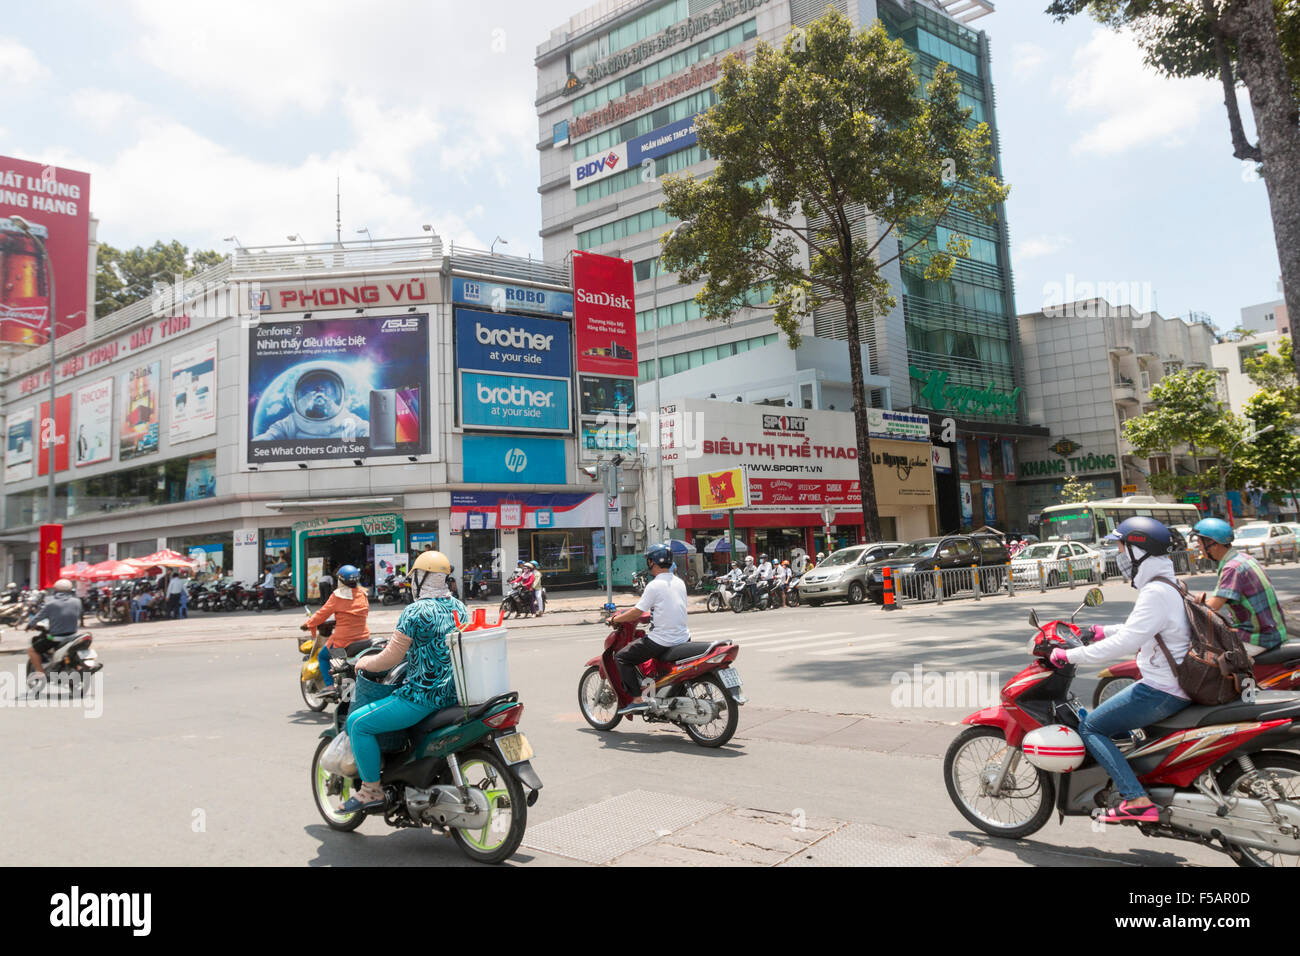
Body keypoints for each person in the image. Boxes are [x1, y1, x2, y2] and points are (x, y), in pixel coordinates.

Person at [1049, 517, 1191, 824]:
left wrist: (1069, 654)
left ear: (1139, 551)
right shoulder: (1168, 584)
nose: (1119, 555)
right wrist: (1101, 630)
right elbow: (1139, 629)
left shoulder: (1156, 592)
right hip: (1170, 684)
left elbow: (1126, 642)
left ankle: (1135, 798)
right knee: (1108, 718)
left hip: (1161, 690)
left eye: (1121, 548)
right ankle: (1140, 777)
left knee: (1091, 727)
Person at [341, 550, 466, 813]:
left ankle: (370, 790)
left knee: (357, 723)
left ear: (420, 579)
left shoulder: (415, 611)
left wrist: (361, 663)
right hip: (455, 694)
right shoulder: (459, 607)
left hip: (422, 698)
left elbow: (389, 658)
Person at [1191, 517, 1289, 656]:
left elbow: (1212, 607)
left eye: (1200, 543)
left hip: (1259, 638)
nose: (1198, 548)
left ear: (1213, 544)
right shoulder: (1244, 558)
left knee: (1206, 659)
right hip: (1273, 631)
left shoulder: (1232, 568)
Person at [610, 544, 689, 714]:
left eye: (648, 559)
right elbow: (667, 607)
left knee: (622, 658)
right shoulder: (679, 582)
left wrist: (615, 619)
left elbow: (636, 612)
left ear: (652, 562)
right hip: (683, 638)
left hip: (662, 641)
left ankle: (637, 700)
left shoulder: (654, 585)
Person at [300, 564, 369, 698]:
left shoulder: (337, 596)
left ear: (341, 581)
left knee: (323, 656)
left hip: (344, 643)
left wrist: (308, 624)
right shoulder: (363, 594)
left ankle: (330, 687)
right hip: (364, 639)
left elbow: (322, 614)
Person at [26, 579, 83, 678]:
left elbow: (39, 617)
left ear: (55, 590)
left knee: (32, 650)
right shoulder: (77, 601)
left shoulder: (51, 604)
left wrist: (29, 625)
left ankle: (40, 673)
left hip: (56, 638)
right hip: (73, 636)